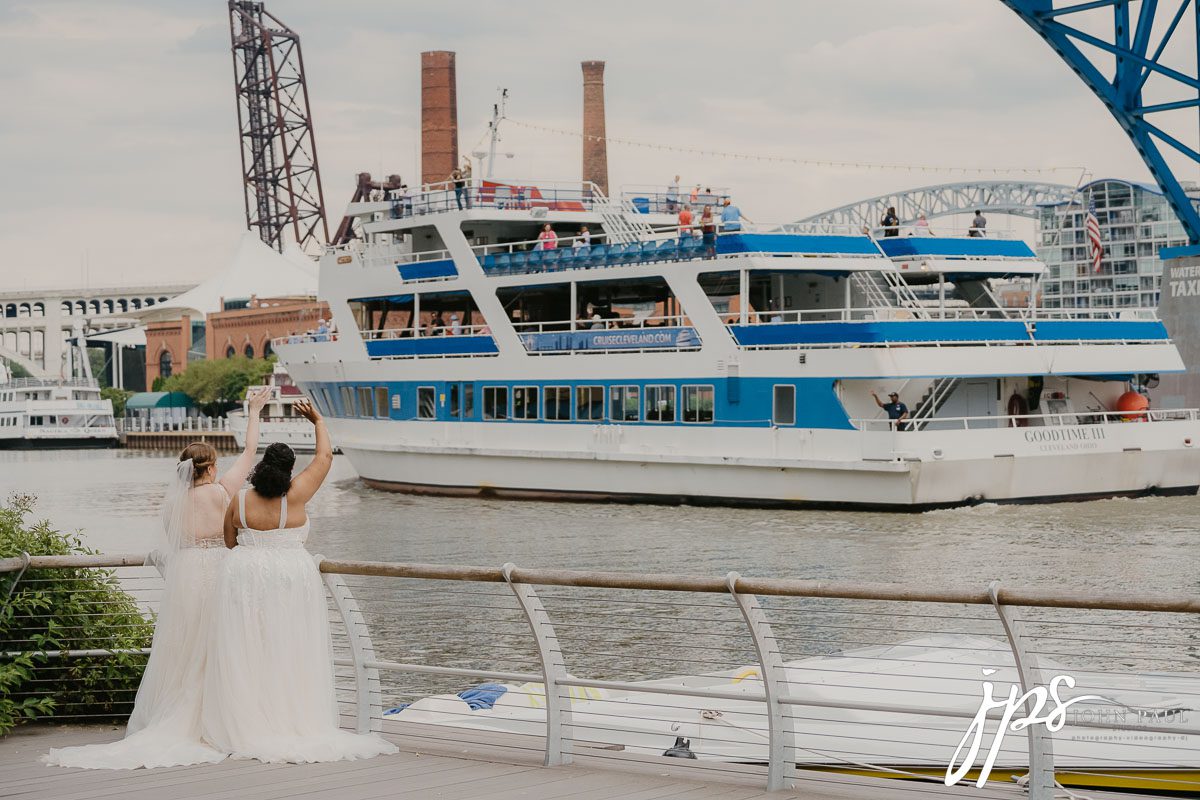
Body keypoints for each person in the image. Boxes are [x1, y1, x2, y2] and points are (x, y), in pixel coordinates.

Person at [43, 390, 272, 770]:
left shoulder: (171, 504)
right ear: (211, 467)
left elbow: (173, 545)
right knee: (222, 648)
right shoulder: (221, 491)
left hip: (185, 577)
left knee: (184, 652)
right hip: (218, 574)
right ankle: (223, 719)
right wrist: (253, 410)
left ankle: (180, 718)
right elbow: (250, 452)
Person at [203, 401, 397, 764]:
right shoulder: (297, 495)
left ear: (261, 466)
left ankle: (247, 721)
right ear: (290, 469)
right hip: (290, 578)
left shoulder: (240, 499)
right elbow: (324, 458)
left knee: (247, 649)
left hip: (244, 577)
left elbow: (229, 541)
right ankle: (289, 718)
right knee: (290, 647)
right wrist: (318, 420)